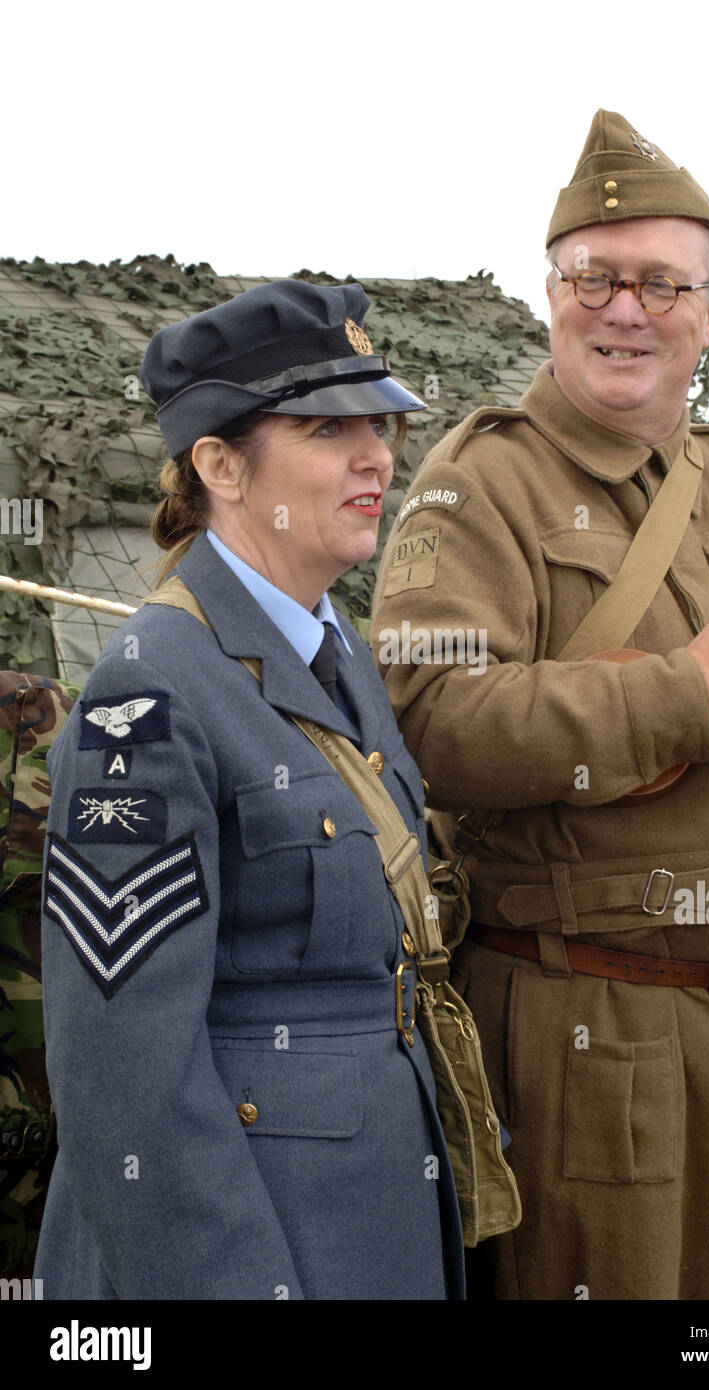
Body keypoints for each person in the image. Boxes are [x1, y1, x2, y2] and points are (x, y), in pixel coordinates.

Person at [370, 109, 709, 1300]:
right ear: (550, 293)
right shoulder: (475, 485)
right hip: (600, 1036)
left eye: (657, 283)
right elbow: (427, 722)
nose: (623, 309)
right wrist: (682, 701)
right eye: (592, 277)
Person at [34, 279, 465, 1300]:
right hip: (249, 1250)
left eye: (381, 423)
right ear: (221, 465)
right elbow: (123, 1083)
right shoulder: (142, 694)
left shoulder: (332, 650)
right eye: (327, 428)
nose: (376, 455)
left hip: (372, 1225)